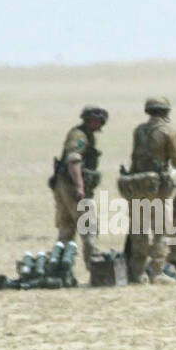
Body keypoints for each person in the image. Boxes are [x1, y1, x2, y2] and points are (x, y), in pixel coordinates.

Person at [124, 96, 176, 283]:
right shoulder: (168, 132)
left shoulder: (139, 131)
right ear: (166, 112)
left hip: (137, 186)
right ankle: (157, 273)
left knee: (139, 230)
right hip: (158, 189)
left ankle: (138, 274)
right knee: (161, 231)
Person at [50, 105, 107, 268]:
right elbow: (74, 160)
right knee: (88, 226)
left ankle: (60, 267)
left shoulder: (85, 135)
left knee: (66, 228)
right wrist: (79, 186)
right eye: (93, 120)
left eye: (99, 121)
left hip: (64, 185)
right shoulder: (80, 136)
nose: (97, 123)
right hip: (71, 186)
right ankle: (94, 264)